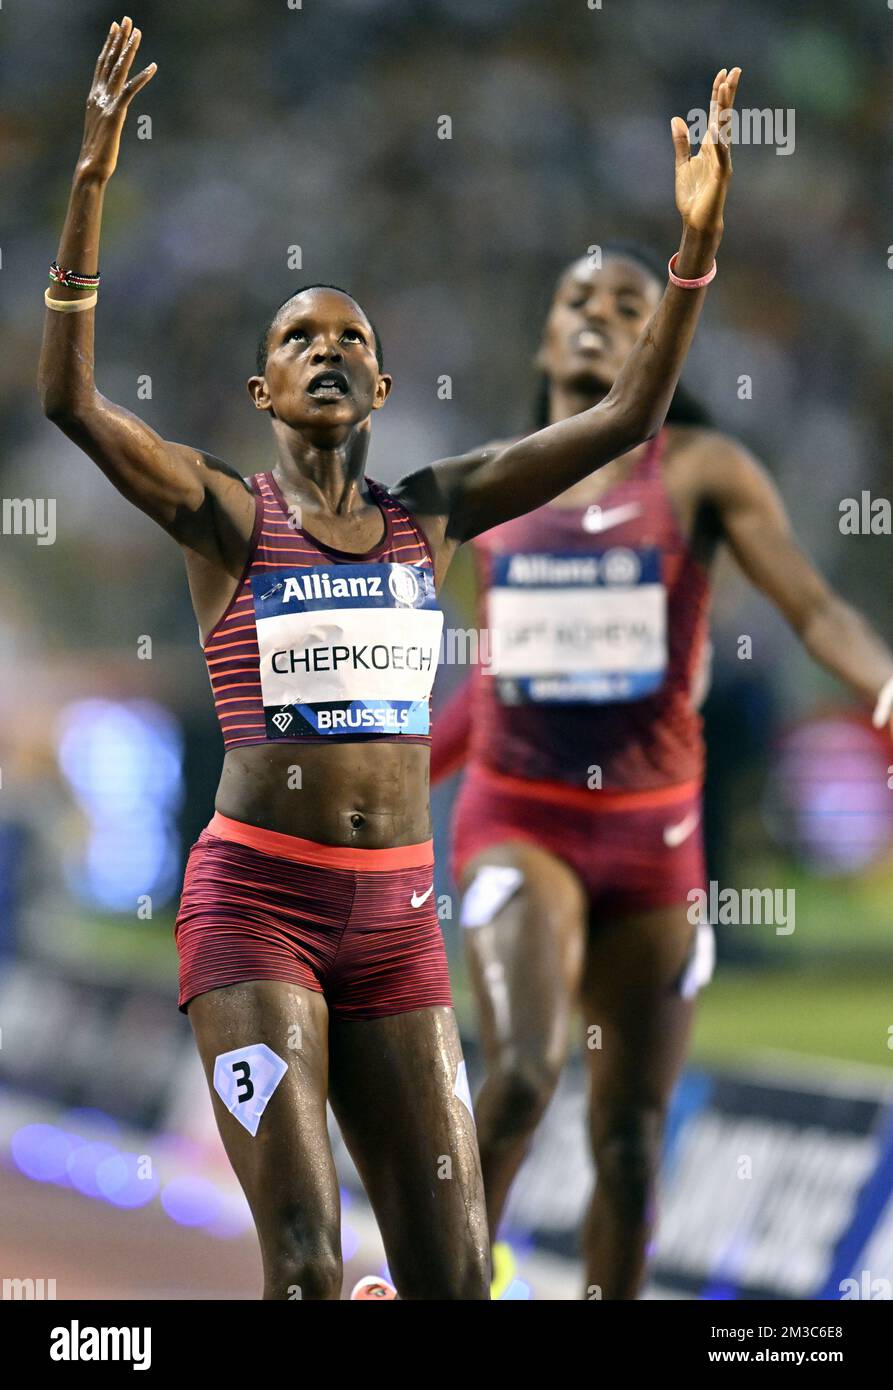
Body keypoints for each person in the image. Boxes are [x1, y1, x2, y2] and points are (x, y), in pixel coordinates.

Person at [38, 15, 739, 1300]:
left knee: (456, 1281)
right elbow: (71, 406)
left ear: (381, 381)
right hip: (258, 909)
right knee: (305, 1266)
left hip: (400, 926)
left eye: (349, 338)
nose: (325, 350)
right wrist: (85, 199)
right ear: (261, 393)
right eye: (297, 338)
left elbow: (625, 413)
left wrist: (690, 255)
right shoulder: (223, 513)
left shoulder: (438, 510)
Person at [431, 241, 893, 1299]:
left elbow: (817, 609)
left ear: (660, 340)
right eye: (575, 298)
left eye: (627, 301)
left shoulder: (700, 472)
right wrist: (394, 781)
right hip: (519, 823)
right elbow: (491, 675)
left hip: (654, 842)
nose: (596, 311)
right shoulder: (489, 485)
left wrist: (881, 687)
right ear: (544, 332)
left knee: (632, 1142)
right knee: (517, 1075)